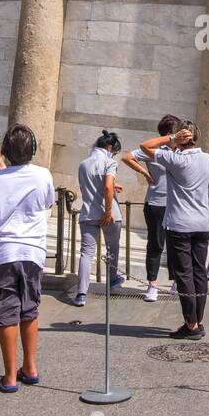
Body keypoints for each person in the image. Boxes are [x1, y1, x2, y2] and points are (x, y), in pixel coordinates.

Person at [0, 124, 55, 391]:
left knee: (6, 312)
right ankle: (30, 367)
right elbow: (46, 204)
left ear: (5, 151)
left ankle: (9, 376)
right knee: (29, 309)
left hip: (3, 252)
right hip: (33, 252)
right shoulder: (43, 176)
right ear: (32, 150)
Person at [139, 120, 209, 340]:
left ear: (182, 138)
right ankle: (199, 319)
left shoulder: (175, 159)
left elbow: (144, 146)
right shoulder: (208, 160)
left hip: (179, 224)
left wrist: (171, 139)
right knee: (199, 272)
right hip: (203, 224)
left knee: (184, 274)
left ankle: (191, 323)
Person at [122, 114, 180, 302]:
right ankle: (152, 284)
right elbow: (127, 157)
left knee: (176, 245)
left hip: (176, 204)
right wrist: (144, 172)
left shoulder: (181, 151)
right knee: (155, 244)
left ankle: (176, 282)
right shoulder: (154, 150)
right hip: (156, 203)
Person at [74, 131, 126, 307]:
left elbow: (90, 186)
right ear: (109, 148)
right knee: (112, 247)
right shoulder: (110, 162)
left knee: (86, 253)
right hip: (109, 214)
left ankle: (81, 293)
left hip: (88, 211)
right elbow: (107, 185)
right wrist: (108, 210)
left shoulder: (83, 164)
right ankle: (111, 280)